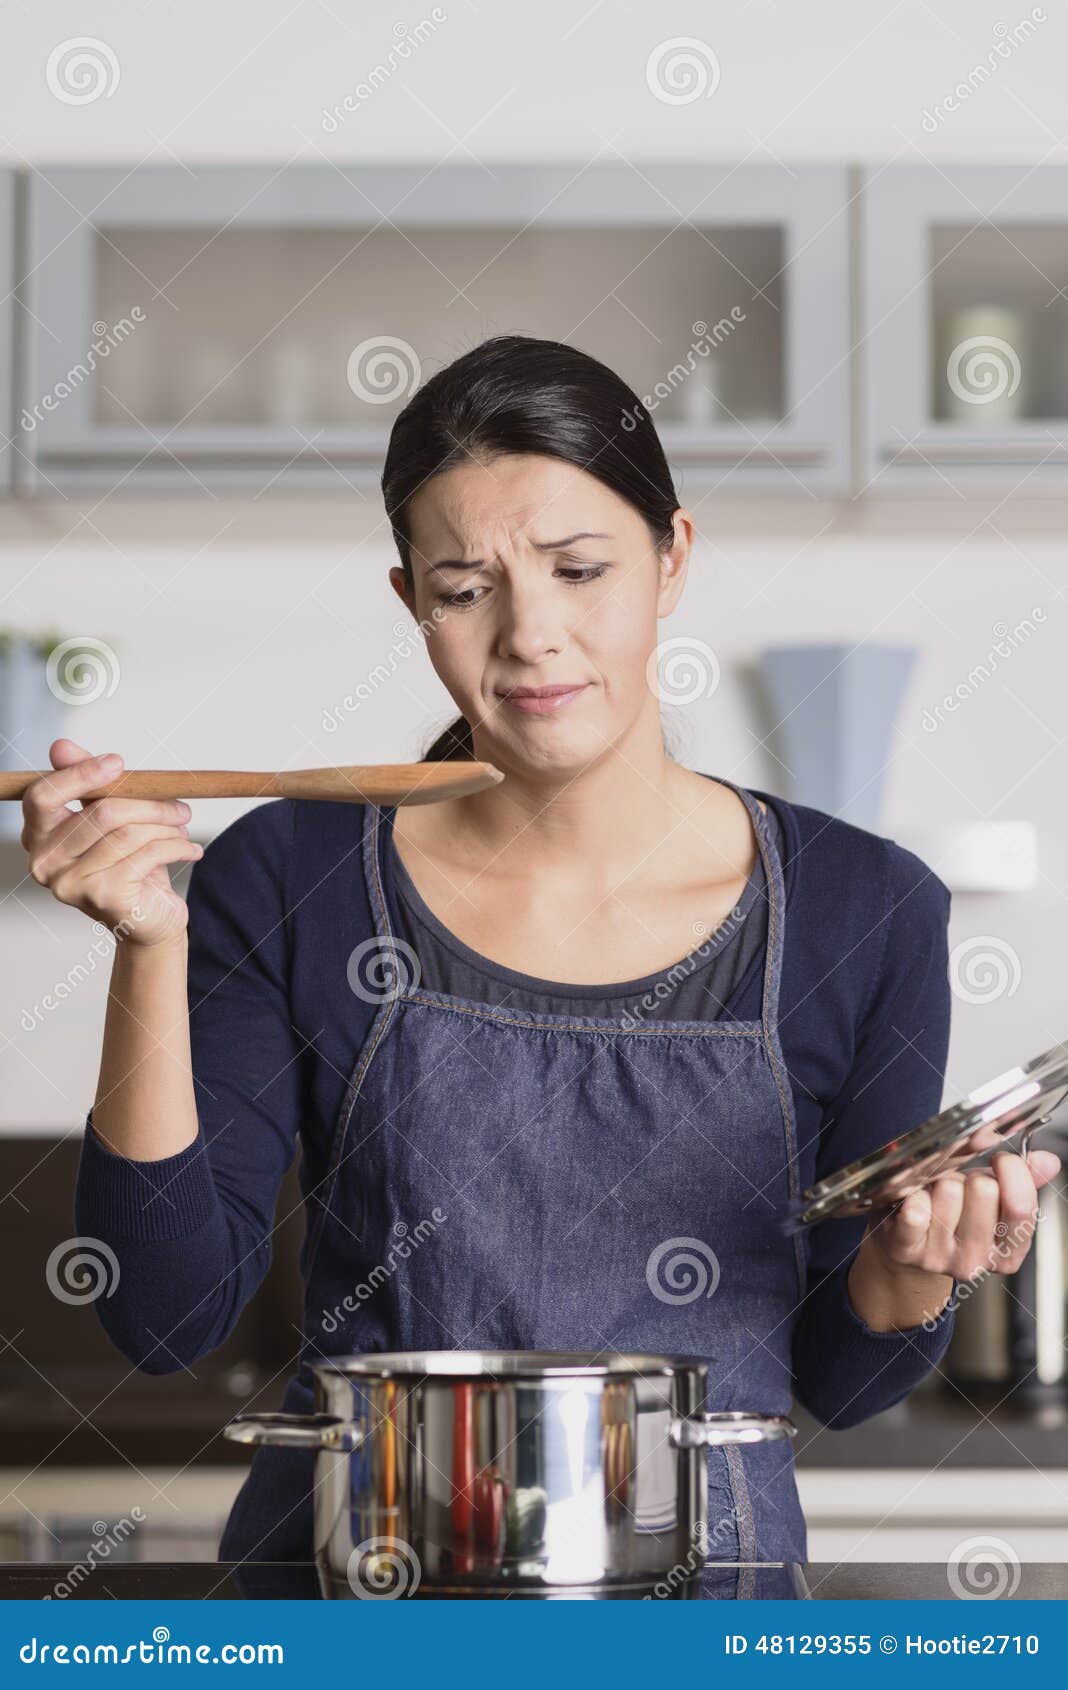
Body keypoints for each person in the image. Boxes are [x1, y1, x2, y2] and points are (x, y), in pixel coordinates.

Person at [23, 334, 1058, 1594]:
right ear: (410, 597)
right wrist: (149, 942)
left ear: (673, 556)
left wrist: (909, 1274)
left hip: (699, 1613)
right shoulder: (292, 876)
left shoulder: (862, 906)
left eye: (580, 569)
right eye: (466, 587)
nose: (532, 636)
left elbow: (842, 1379)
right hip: (353, 1596)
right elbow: (163, 1317)